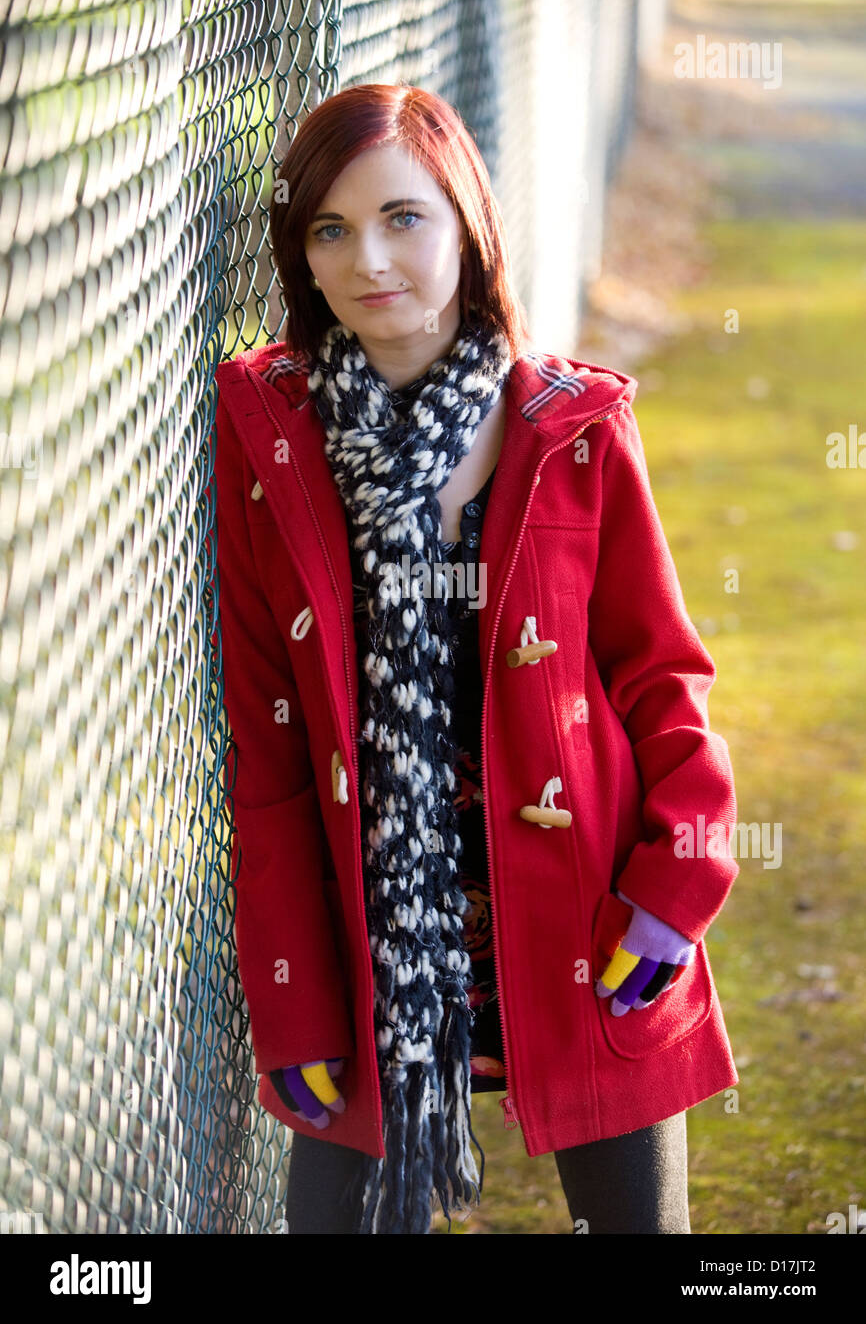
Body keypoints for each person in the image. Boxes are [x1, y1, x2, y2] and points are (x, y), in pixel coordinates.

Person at [213, 82, 740, 1235]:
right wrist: (294, 997)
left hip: (582, 910)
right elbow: (271, 749)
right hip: (371, 947)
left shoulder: (574, 429)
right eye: (329, 229)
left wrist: (671, 893)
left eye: (404, 217)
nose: (369, 260)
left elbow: (661, 679)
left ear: (465, 224)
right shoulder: (271, 436)